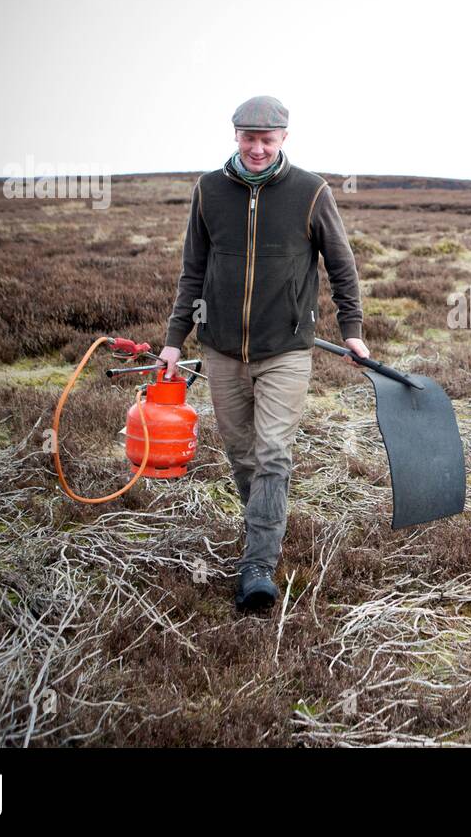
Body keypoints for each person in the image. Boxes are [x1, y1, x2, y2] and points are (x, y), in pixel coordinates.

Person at [160, 95, 368, 611]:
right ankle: (263, 530)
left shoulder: (311, 192)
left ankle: (257, 566)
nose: (257, 148)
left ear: (283, 141)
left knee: (273, 452)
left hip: (286, 349)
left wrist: (353, 329)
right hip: (221, 348)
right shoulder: (209, 191)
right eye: (248, 138)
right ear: (236, 136)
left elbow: (342, 267)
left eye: (267, 140)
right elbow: (193, 270)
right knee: (242, 455)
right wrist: (173, 338)